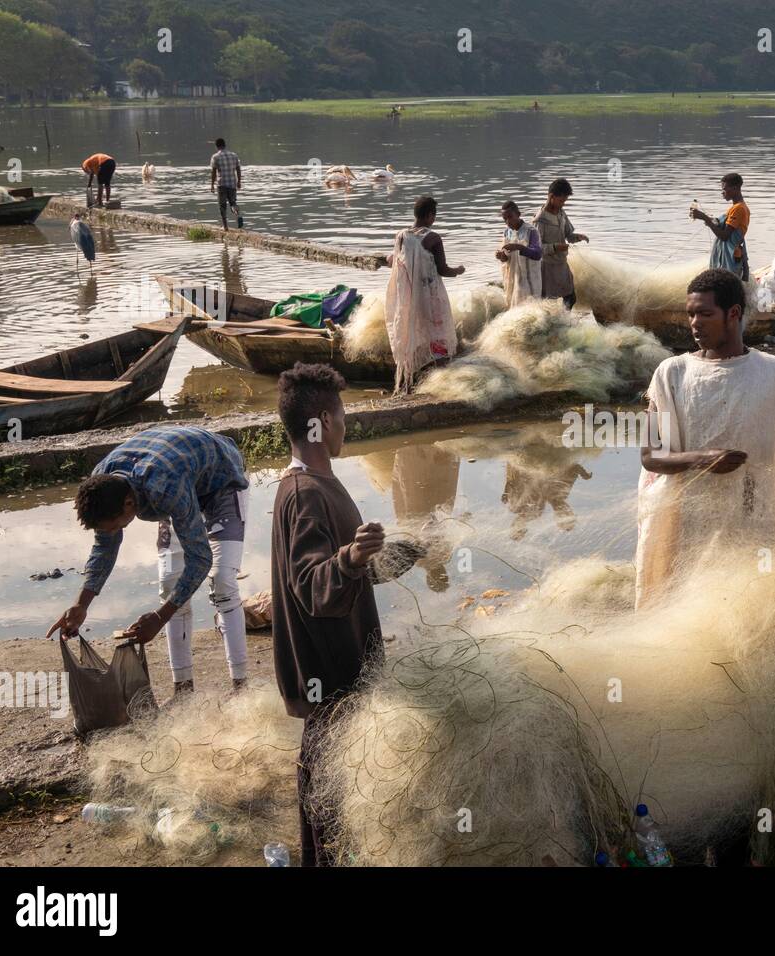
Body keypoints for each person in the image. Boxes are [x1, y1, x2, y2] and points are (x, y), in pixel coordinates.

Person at [635, 268, 775, 607]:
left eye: (705, 314)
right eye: (690, 314)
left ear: (734, 314)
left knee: (750, 607)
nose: (694, 323)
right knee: (687, 607)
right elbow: (650, 457)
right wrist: (701, 459)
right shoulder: (672, 374)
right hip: (690, 523)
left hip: (756, 519)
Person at [270, 363, 386, 867]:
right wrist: (352, 559)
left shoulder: (314, 484)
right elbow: (313, 586)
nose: (346, 426)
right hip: (330, 673)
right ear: (321, 421)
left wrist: (384, 557)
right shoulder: (306, 496)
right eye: (342, 416)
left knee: (332, 783)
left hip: (338, 670)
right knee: (330, 793)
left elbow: (345, 570)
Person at [54, 426, 250, 696]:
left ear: (128, 505)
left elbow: (200, 559)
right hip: (178, 476)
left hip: (220, 483)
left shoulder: (165, 487)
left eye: (113, 527)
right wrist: (81, 604)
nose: (110, 533)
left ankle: (241, 686)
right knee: (170, 585)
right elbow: (104, 548)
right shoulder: (102, 484)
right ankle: (183, 690)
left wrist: (160, 617)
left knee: (223, 583)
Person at [385, 195, 463, 394]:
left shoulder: (401, 236)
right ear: (430, 216)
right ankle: (442, 381)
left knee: (411, 334)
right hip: (430, 297)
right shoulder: (433, 238)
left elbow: (397, 260)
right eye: (434, 216)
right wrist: (459, 270)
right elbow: (443, 269)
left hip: (408, 298)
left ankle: (405, 384)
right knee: (438, 334)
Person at [533, 178, 588, 307]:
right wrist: (555, 247)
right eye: (561, 200)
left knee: (570, 297)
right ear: (551, 196)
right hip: (546, 266)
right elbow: (537, 248)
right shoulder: (540, 220)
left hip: (561, 263)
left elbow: (568, 235)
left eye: (565, 201)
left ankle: (564, 321)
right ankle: (548, 322)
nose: (563, 204)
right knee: (545, 300)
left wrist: (579, 237)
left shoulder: (561, 213)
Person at [691, 173, 750, 281]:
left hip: (730, 261)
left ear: (735, 188)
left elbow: (725, 236)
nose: (722, 192)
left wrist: (705, 218)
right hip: (730, 260)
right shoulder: (735, 208)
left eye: (724, 188)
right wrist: (709, 220)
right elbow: (723, 225)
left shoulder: (739, 209)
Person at [497, 200, 543, 305]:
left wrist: (519, 247)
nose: (508, 221)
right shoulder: (507, 232)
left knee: (531, 310)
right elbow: (506, 259)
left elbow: (537, 254)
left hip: (530, 280)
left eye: (510, 217)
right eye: (505, 219)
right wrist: (501, 256)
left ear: (518, 214)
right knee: (514, 309)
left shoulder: (531, 231)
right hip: (513, 280)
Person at [209, 137, 244, 231]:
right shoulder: (234, 155)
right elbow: (238, 169)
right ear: (225, 145)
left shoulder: (215, 157)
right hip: (232, 183)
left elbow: (213, 172)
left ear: (217, 146)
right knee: (233, 203)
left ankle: (225, 227)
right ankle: (238, 215)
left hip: (222, 184)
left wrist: (212, 184)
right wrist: (239, 181)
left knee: (222, 205)